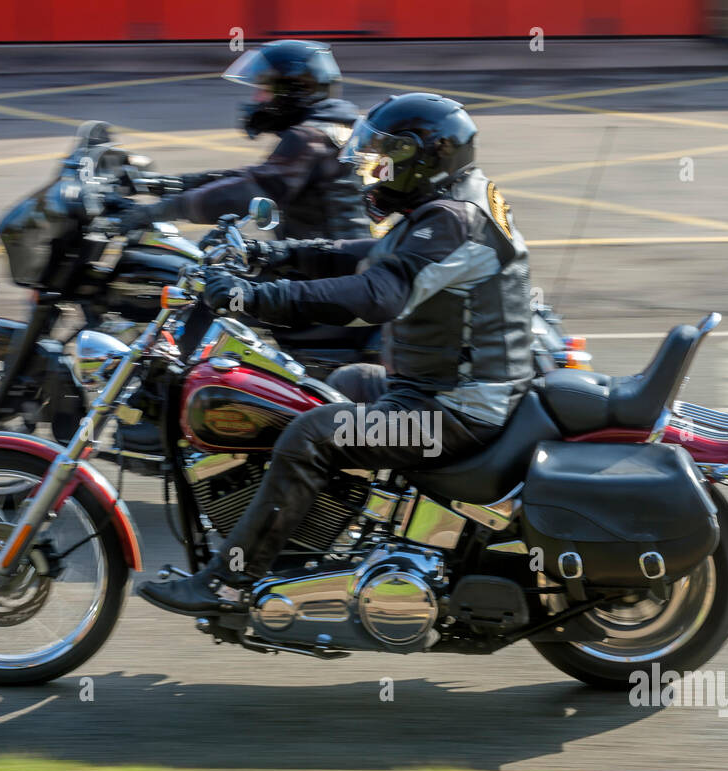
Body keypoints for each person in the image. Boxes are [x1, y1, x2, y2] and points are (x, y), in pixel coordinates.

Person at [138, 93, 534, 616]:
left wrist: (255, 297)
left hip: (455, 413)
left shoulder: (452, 219)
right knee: (336, 387)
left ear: (421, 161)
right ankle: (312, 553)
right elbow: (376, 254)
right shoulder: (451, 203)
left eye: (384, 162)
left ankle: (228, 583)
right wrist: (275, 254)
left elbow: (378, 294)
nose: (371, 175)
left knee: (310, 435)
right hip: (438, 389)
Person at [119, 39, 370, 242]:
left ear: (293, 91)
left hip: (320, 275)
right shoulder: (339, 126)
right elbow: (253, 176)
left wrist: (156, 211)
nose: (256, 98)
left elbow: (249, 192)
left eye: (264, 89)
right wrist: (158, 184)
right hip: (337, 259)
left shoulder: (308, 138)